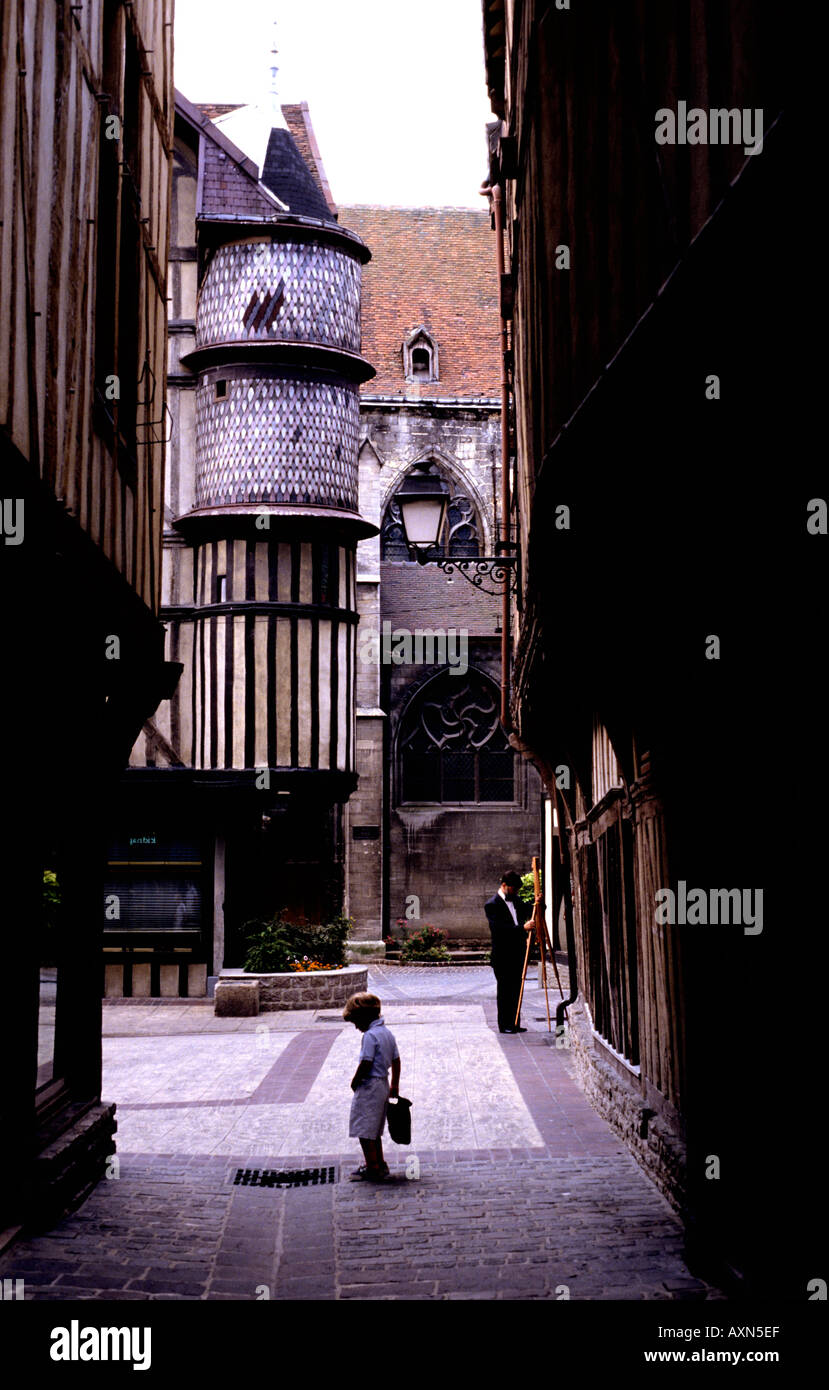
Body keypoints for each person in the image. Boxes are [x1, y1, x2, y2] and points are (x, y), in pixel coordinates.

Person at [343, 992, 401, 1182]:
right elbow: (396, 1060)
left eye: (355, 1022)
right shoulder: (387, 1033)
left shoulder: (370, 1036)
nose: (356, 1027)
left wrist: (355, 1080)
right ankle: (380, 1162)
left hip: (369, 1085)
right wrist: (394, 1084)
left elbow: (366, 1062)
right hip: (383, 1083)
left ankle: (372, 1167)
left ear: (362, 1018)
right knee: (375, 1128)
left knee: (364, 1129)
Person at [485, 870, 534, 1033]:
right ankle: (504, 1025)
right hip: (503, 955)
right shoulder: (492, 905)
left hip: (518, 953)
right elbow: (500, 930)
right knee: (505, 990)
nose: (516, 893)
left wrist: (539, 903)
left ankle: (514, 1023)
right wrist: (522, 928)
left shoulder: (516, 899)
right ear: (504, 885)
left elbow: (529, 910)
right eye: (513, 889)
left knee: (516, 989)